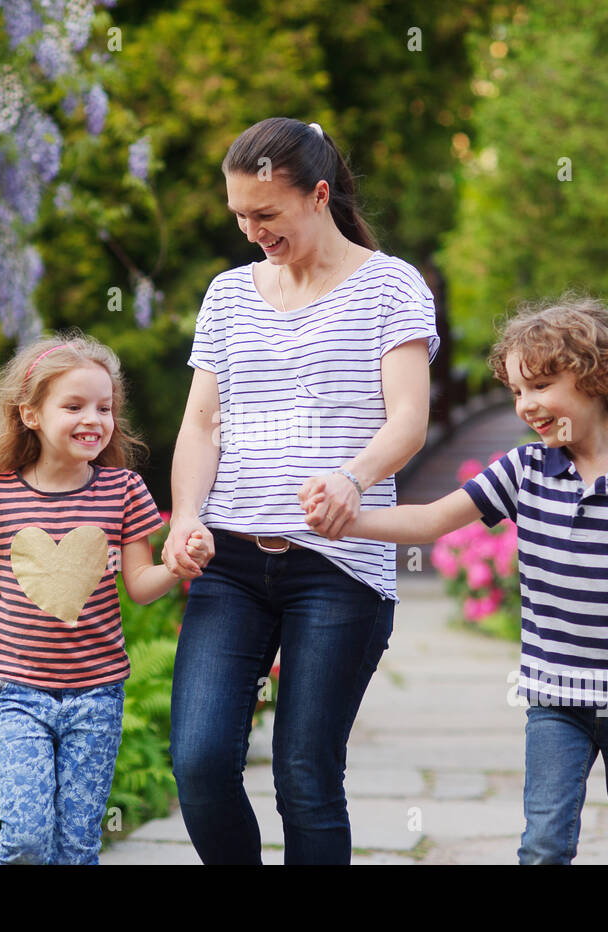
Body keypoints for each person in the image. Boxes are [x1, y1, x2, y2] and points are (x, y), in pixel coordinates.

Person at [303, 294, 608, 865]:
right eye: (516, 391)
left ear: (594, 377)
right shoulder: (524, 470)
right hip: (555, 702)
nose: (525, 405)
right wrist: (348, 520)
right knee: (545, 845)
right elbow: (432, 519)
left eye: (540, 386)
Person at [161, 117, 440, 864]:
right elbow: (201, 426)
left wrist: (354, 478)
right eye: (240, 216)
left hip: (338, 569)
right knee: (198, 761)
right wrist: (186, 515)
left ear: (319, 196)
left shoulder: (391, 285)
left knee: (306, 776)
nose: (252, 231)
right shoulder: (227, 296)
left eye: (266, 214)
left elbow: (410, 419)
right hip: (232, 564)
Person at [0, 332, 208, 865]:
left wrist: (175, 567)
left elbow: (140, 586)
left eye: (104, 407)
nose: (93, 420)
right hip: (18, 692)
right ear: (30, 414)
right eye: (73, 406)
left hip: (97, 693)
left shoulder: (124, 490)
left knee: (77, 845)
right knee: (27, 837)